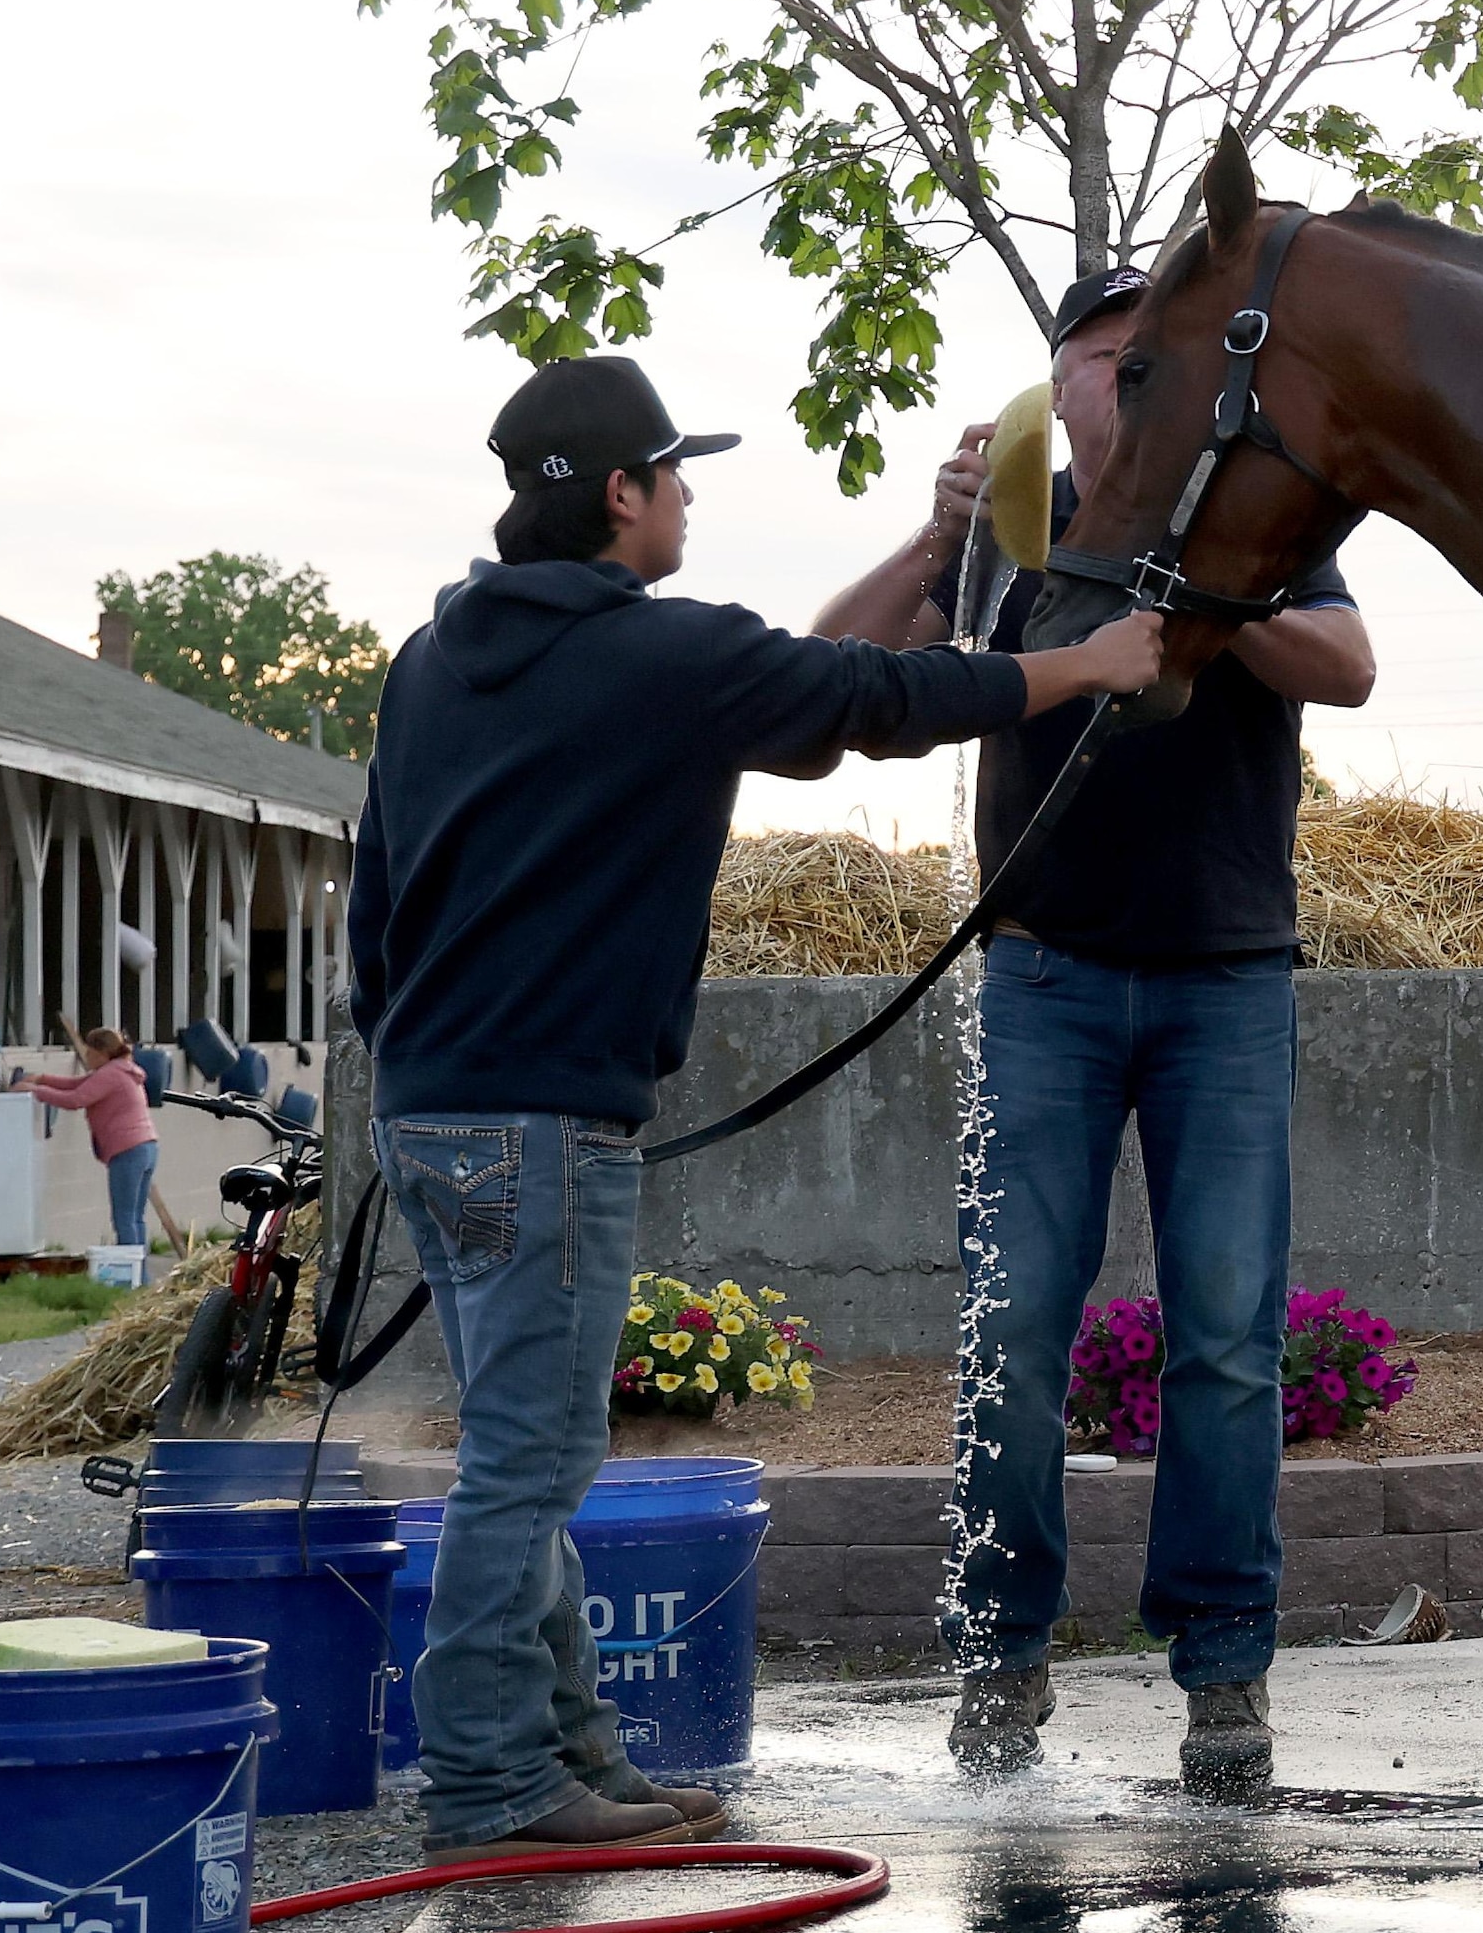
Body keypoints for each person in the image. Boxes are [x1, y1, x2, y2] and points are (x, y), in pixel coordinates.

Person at [354, 352, 1169, 1851]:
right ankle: (487, 1783)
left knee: (517, 1455)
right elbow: (880, 695)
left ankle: (574, 1762)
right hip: (544, 1123)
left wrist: (938, 549)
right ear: (619, 494)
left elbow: (379, 891)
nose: (688, 496)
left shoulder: (433, 656)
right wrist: (1087, 666)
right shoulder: (653, 652)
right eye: (675, 473)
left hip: (431, 1107)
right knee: (530, 1468)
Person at [811, 260, 1373, 1782]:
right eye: (1102, 362)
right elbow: (842, 676)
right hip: (1041, 978)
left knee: (1230, 1340)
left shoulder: (1250, 507)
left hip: (1228, 982)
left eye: (1151, 362)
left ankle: (1223, 1670)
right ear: (1052, 382)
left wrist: (1211, 593)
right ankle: (1001, 1656)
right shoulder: (1007, 523)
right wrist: (935, 533)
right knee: (1010, 1335)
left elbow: (1352, 667)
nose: (1124, 388)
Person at [22, 1025, 164, 1250]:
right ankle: (139, 1273)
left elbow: (75, 1099)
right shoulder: (123, 1069)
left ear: (103, 1053)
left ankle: (130, 1277)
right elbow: (78, 1084)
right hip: (146, 1146)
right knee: (136, 1217)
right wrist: (41, 1079)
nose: (87, 1057)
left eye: (90, 1052)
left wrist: (33, 1091)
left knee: (124, 1218)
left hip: (127, 1150)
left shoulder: (111, 1074)